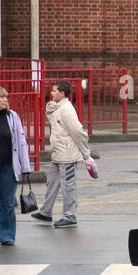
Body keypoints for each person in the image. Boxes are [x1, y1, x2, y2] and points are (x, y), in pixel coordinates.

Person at [32, 81, 94, 228]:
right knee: (52, 183)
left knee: (68, 186)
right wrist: (49, 107)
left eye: (54, 91)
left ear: (62, 93)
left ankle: (70, 216)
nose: (51, 93)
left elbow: (78, 132)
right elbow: (53, 119)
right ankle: (46, 212)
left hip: (67, 154)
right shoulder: (58, 107)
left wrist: (86, 154)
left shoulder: (67, 110)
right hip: (58, 153)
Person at [0, 85, 31, 246]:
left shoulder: (12, 116)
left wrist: (26, 166)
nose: (5, 100)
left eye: (6, 97)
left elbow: (21, 142)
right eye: (1, 97)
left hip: (8, 166)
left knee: (7, 202)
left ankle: (7, 235)